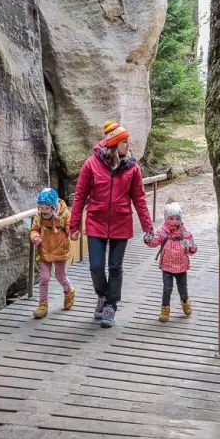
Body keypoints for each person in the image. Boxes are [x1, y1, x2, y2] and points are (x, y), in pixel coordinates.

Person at [70, 120, 154, 328]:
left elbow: (140, 199)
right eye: (125, 141)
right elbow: (80, 196)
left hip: (121, 223)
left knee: (115, 267)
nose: (128, 145)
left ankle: (110, 306)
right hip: (96, 221)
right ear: (115, 144)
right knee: (96, 266)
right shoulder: (91, 165)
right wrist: (74, 226)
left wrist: (148, 228)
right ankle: (102, 295)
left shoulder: (132, 168)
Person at [30, 188, 75, 318]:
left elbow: (70, 227)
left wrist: (71, 231)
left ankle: (69, 291)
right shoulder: (39, 216)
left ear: (53, 206)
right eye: (41, 207)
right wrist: (35, 237)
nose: (44, 211)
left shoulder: (64, 214)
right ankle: (42, 305)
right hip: (44, 249)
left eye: (46, 208)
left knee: (60, 276)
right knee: (44, 278)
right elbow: (34, 229)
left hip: (60, 249)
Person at [148, 201, 196, 322]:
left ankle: (185, 302)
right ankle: (165, 309)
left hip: (181, 266)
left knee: (183, 289)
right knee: (167, 289)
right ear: (166, 218)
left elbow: (189, 249)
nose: (174, 221)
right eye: (171, 218)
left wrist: (192, 247)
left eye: (177, 218)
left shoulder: (184, 233)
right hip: (167, 266)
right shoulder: (163, 232)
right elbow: (155, 242)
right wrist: (148, 239)